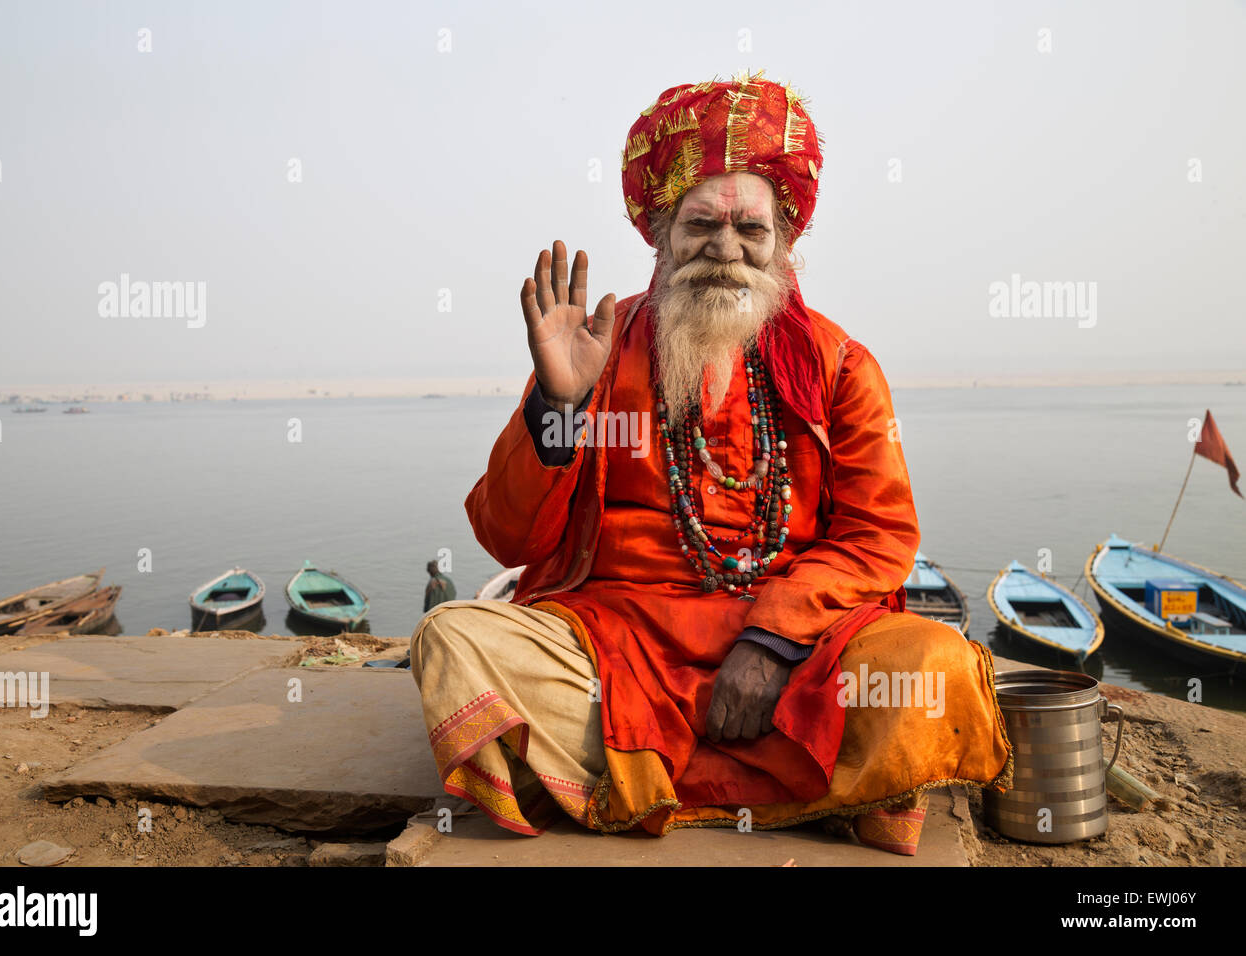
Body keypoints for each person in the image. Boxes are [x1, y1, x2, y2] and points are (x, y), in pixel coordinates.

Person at [411, 72, 1010, 854]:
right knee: (452, 640)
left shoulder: (840, 367)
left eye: (750, 230)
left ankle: (615, 777)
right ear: (660, 235)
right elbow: (506, 538)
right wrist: (558, 411)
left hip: (798, 655)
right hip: (614, 648)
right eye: (700, 225)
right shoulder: (595, 349)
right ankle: (811, 786)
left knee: (935, 670)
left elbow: (879, 536)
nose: (725, 250)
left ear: (784, 243)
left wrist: (771, 642)